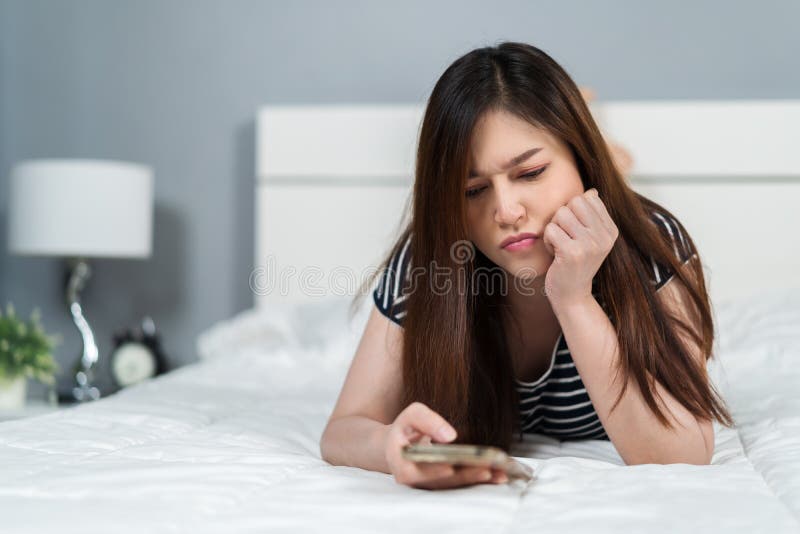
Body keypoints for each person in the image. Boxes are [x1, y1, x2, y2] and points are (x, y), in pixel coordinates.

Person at [319, 41, 734, 491]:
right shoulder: (432, 261)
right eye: (473, 191)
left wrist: (573, 298)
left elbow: (684, 454)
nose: (506, 211)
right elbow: (344, 429)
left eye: (531, 173)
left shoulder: (652, 245)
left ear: (583, 159)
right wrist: (391, 448)